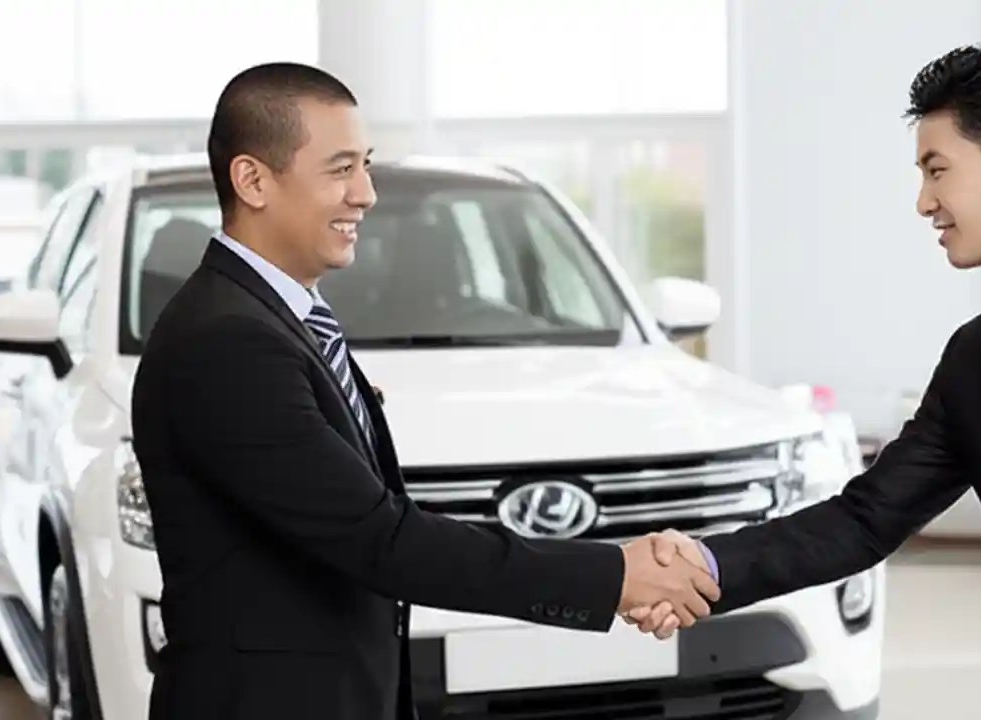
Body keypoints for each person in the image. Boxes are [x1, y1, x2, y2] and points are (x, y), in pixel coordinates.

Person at [129, 62, 720, 720]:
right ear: (253, 179)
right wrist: (613, 576)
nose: (366, 194)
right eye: (340, 168)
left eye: (366, 165)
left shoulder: (276, 318)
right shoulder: (228, 342)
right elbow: (381, 540)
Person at [630, 46, 981, 719]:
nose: (924, 201)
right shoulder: (978, 357)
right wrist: (708, 564)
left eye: (938, 171)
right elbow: (866, 518)